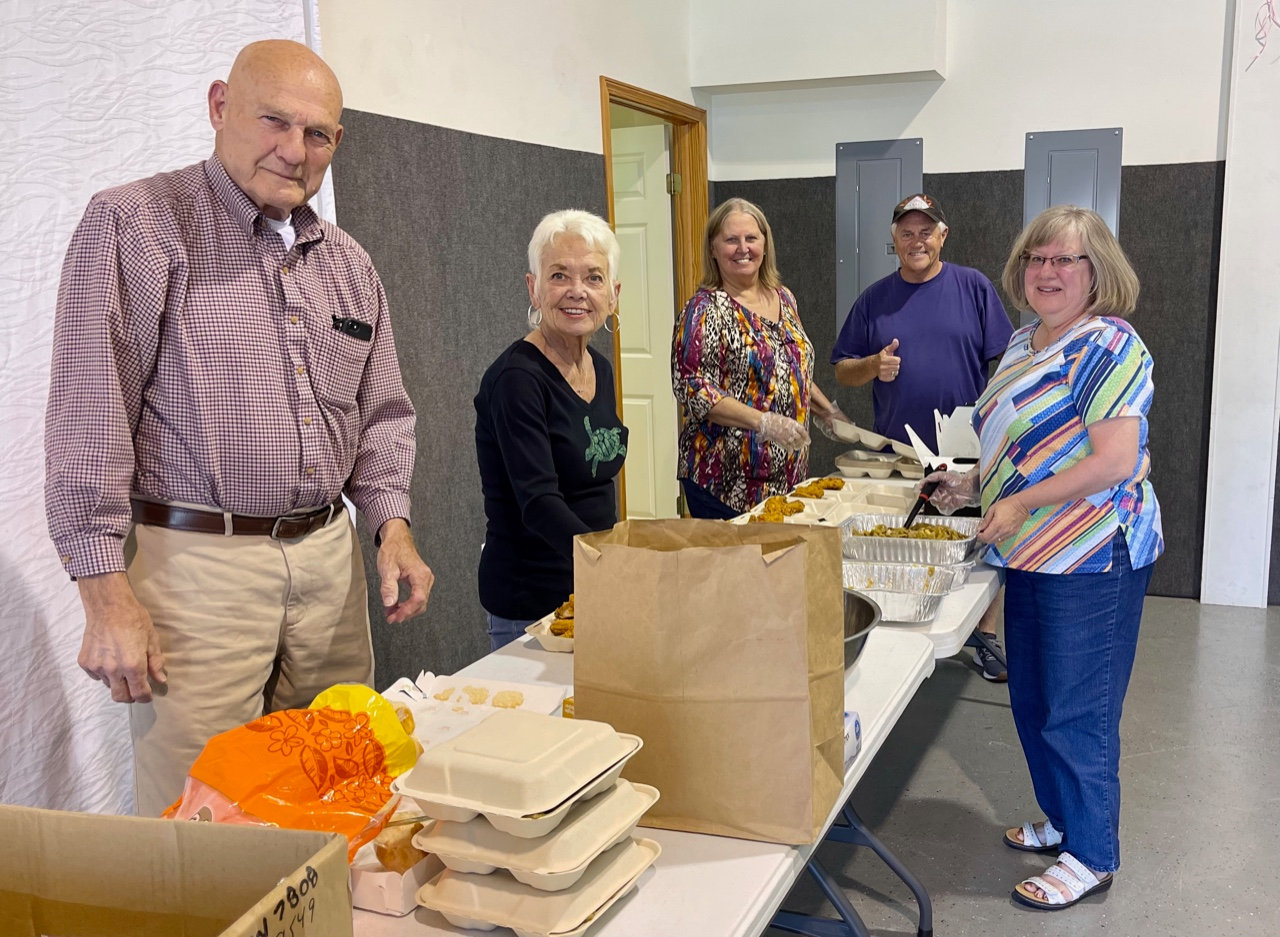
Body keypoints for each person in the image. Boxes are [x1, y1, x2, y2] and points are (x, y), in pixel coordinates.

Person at [44, 40, 434, 816]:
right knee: (203, 825)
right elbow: (90, 418)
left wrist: (392, 527)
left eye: (317, 133)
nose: (295, 150)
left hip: (328, 565)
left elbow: (383, 414)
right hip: (196, 574)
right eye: (274, 122)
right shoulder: (136, 226)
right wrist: (105, 595)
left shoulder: (351, 264)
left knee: (339, 795)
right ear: (220, 107)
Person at [923, 205, 1162, 910]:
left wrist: (1023, 503)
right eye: (1038, 258)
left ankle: (1092, 853)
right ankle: (1061, 817)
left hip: (1091, 552)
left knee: (1077, 709)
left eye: (1066, 260)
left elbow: (1116, 461)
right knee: (1031, 696)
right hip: (1028, 553)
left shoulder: (1111, 347)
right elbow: (1019, 445)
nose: (1049, 272)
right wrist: (974, 481)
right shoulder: (1026, 340)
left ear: (1098, 272)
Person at [831, 193, 1013, 680]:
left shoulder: (973, 287)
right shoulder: (873, 299)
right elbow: (844, 371)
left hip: (963, 448)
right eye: (907, 232)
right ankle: (899, 641)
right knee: (906, 545)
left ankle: (985, 635)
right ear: (894, 240)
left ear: (942, 235)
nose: (917, 241)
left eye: (925, 231)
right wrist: (873, 366)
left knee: (976, 549)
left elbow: (1009, 360)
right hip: (899, 453)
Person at [474, 210, 627, 650]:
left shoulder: (599, 366)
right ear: (534, 288)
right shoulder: (516, 380)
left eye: (594, 278)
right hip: (532, 603)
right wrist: (611, 566)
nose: (577, 291)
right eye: (559, 275)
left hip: (590, 586)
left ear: (613, 295)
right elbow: (539, 502)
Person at [672, 197, 839, 518]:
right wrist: (763, 422)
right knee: (738, 568)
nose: (743, 248)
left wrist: (827, 410)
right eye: (731, 240)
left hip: (786, 475)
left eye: (751, 238)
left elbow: (790, 367)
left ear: (765, 244)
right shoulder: (705, 310)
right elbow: (692, 389)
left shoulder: (784, 298)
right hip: (724, 480)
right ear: (713, 249)